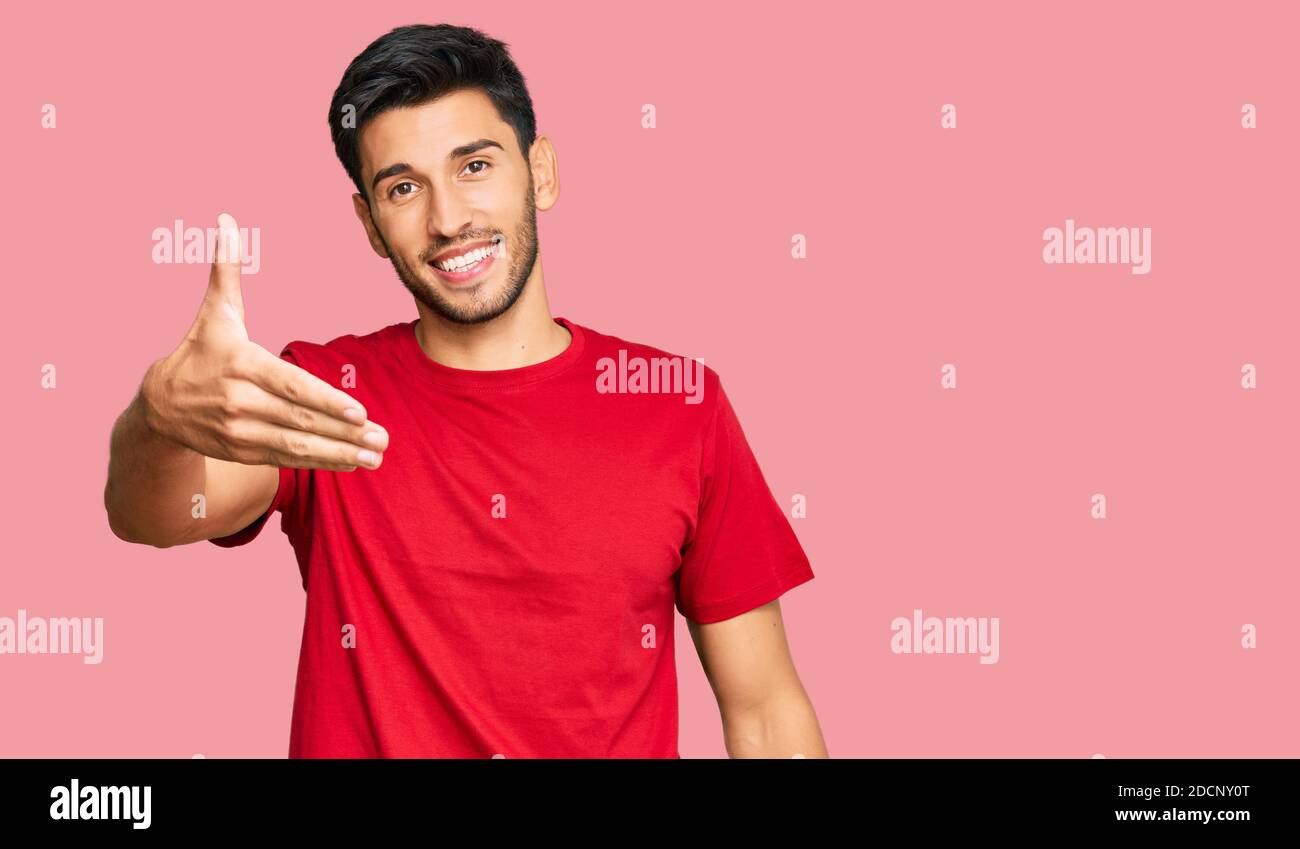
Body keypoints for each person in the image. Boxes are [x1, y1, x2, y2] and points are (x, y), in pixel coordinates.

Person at [104, 23, 825, 758]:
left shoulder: (678, 404)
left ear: (539, 172)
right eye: (404, 187)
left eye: (474, 165)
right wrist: (160, 413)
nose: (448, 220)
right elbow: (148, 515)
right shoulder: (320, 397)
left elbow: (765, 713)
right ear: (372, 226)